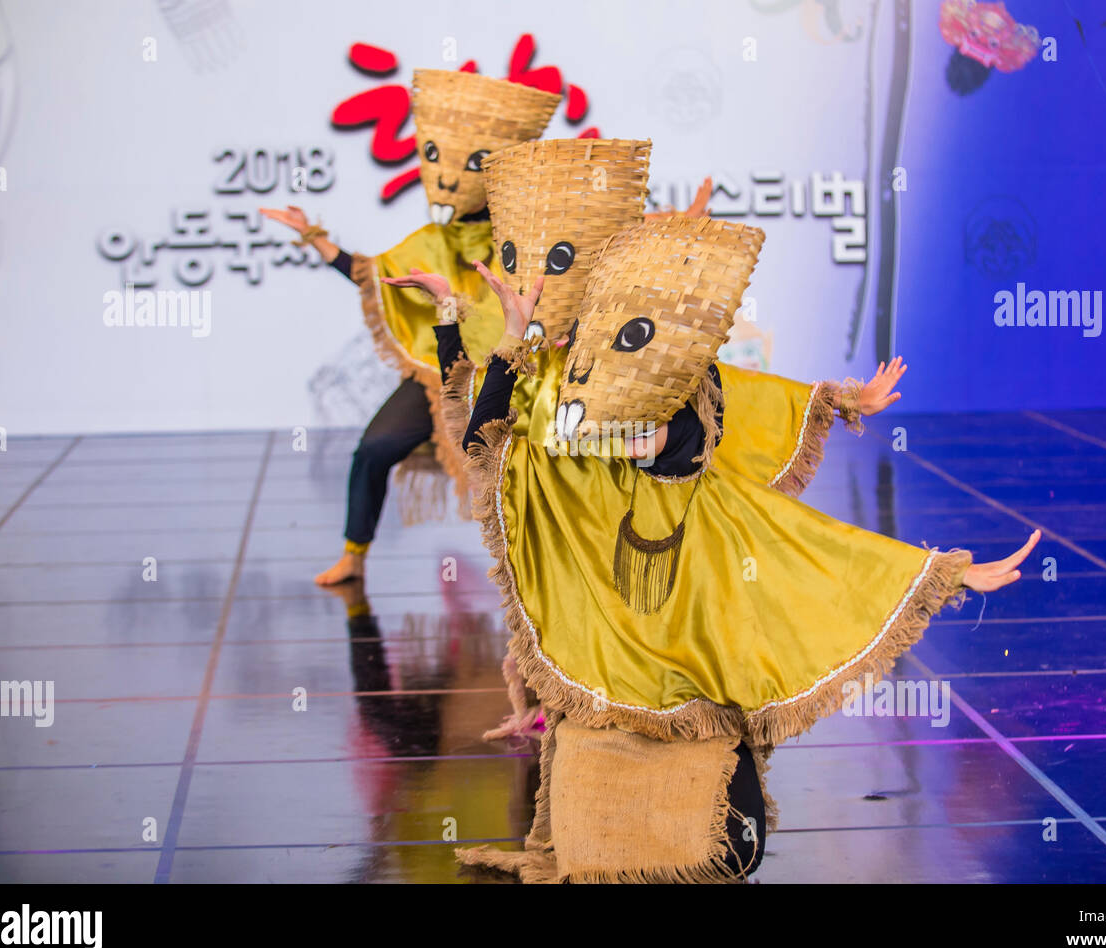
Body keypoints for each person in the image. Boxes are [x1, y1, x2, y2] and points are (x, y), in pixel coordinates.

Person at [451, 214, 1038, 882]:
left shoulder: (718, 501)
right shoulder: (568, 467)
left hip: (694, 706)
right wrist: (511, 338)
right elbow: (489, 441)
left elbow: (829, 559)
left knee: (732, 850)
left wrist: (945, 572)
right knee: (598, 854)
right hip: (606, 697)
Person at [260, 69, 560, 586]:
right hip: (444, 373)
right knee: (374, 448)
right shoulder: (432, 240)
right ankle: (354, 554)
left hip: (517, 374)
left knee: (543, 465)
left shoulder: (529, 233)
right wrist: (313, 235)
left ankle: (550, 578)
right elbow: (371, 273)